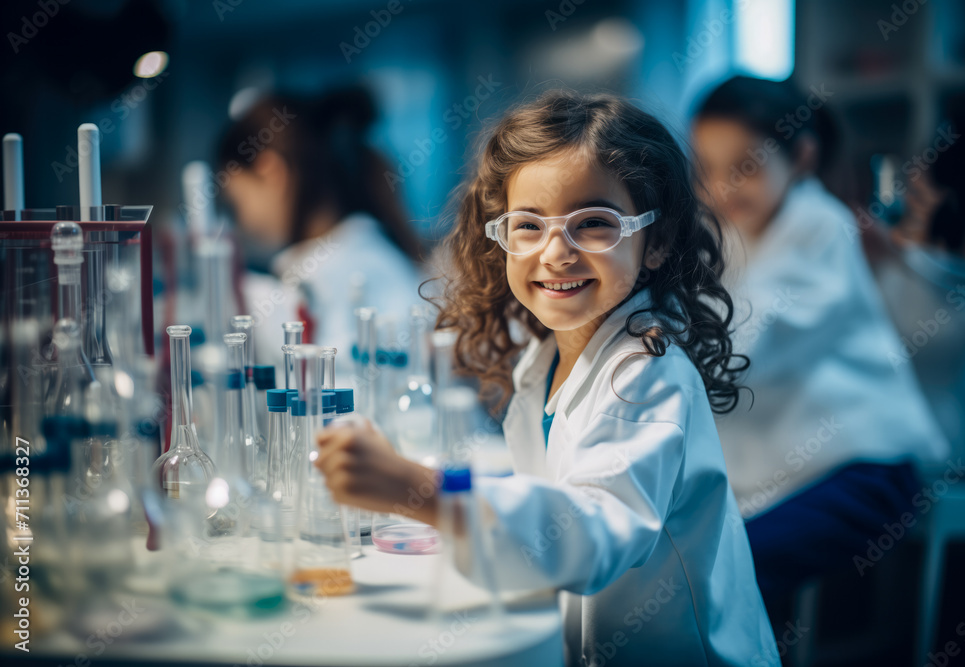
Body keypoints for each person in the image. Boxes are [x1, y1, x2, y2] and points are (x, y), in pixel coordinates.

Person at [314, 91, 778, 665]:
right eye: (528, 225)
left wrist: (423, 491)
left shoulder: (648, 371)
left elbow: (593, 535)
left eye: (594, 223)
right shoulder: (547, 358)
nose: (555, 253)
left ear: (655, 241)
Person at [690, 76, 948, 609]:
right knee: (699, 562)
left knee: (732, 569)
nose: (722, 187)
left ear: (802, 155)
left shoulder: (820, 224)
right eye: (706, 169)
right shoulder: (737, 234)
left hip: (866, 467)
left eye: (746, 165)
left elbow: (756, 339)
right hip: (798, 471)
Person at [217, 86, 425, 370]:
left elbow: (330, 376)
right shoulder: (348, 255)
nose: (240, 224)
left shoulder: (352, 268)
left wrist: (230, 292)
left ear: (271, 173)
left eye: (236, 204)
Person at [865, 90, 965, 480]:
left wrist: (897, 259)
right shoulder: (908, 258)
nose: (913, 173)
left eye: (922, 197)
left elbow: (939, 342)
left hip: (942, 453)